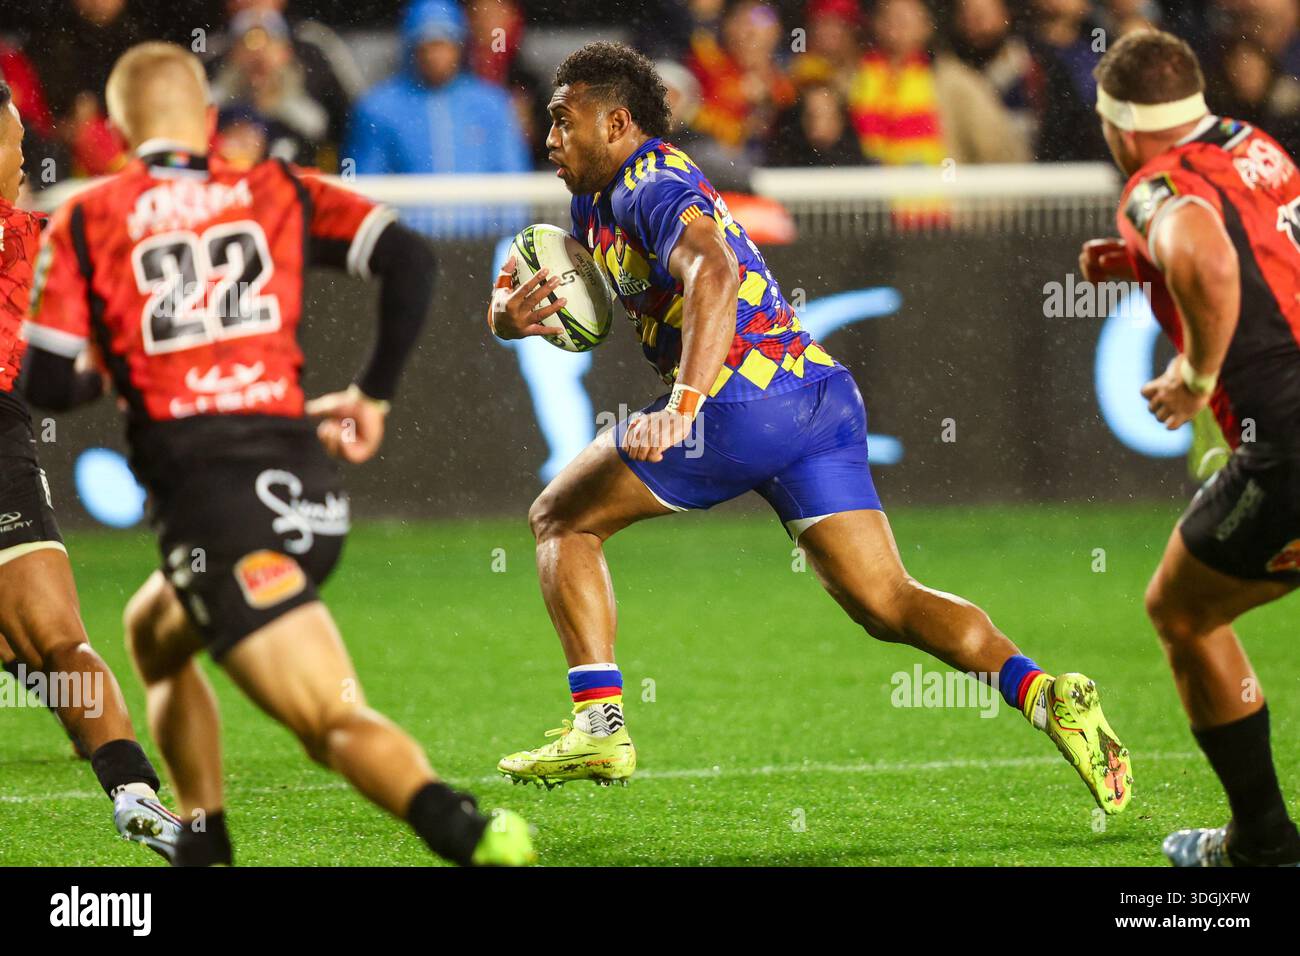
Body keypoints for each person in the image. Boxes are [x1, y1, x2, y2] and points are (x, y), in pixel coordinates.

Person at [486, 42, 1134, 826]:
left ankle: (600, 726)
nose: (549, 137)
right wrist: (506, 317)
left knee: (561, 518)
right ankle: (1044, 692)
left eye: (564, 120)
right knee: (887, 603)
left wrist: (685, 404)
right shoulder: (597, 198)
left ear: (617, 122)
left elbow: (714, 273)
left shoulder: (649, 181)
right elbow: (578, 297)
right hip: (816, 397)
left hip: (736, 405)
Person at [23, 42, 534, 867]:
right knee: (152, 636)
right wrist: (372, 392)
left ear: (118, 128)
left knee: (328, 722)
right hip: (302, 487)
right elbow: (410, 258)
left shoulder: (92, 215)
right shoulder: (274, 190)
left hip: (218, 509)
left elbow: (46, 379)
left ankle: (467, 832)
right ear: (210, 119)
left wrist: (124, 363)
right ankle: (206, 836)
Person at [1081, 28, 1300, 866]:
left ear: (1122, 124)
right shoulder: (1255, 145)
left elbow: (1208, 258)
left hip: (1286, 441)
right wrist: (1146, 268)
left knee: (1183, 611)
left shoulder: (1153, 183)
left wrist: (1196, 373)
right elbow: (1257, 249)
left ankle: (1263, 842)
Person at [0, 78, 181, 859]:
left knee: (33, 647)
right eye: (12, 146)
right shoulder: (37, 239)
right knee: (56, 641)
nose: (22, 160)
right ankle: (133, 789)